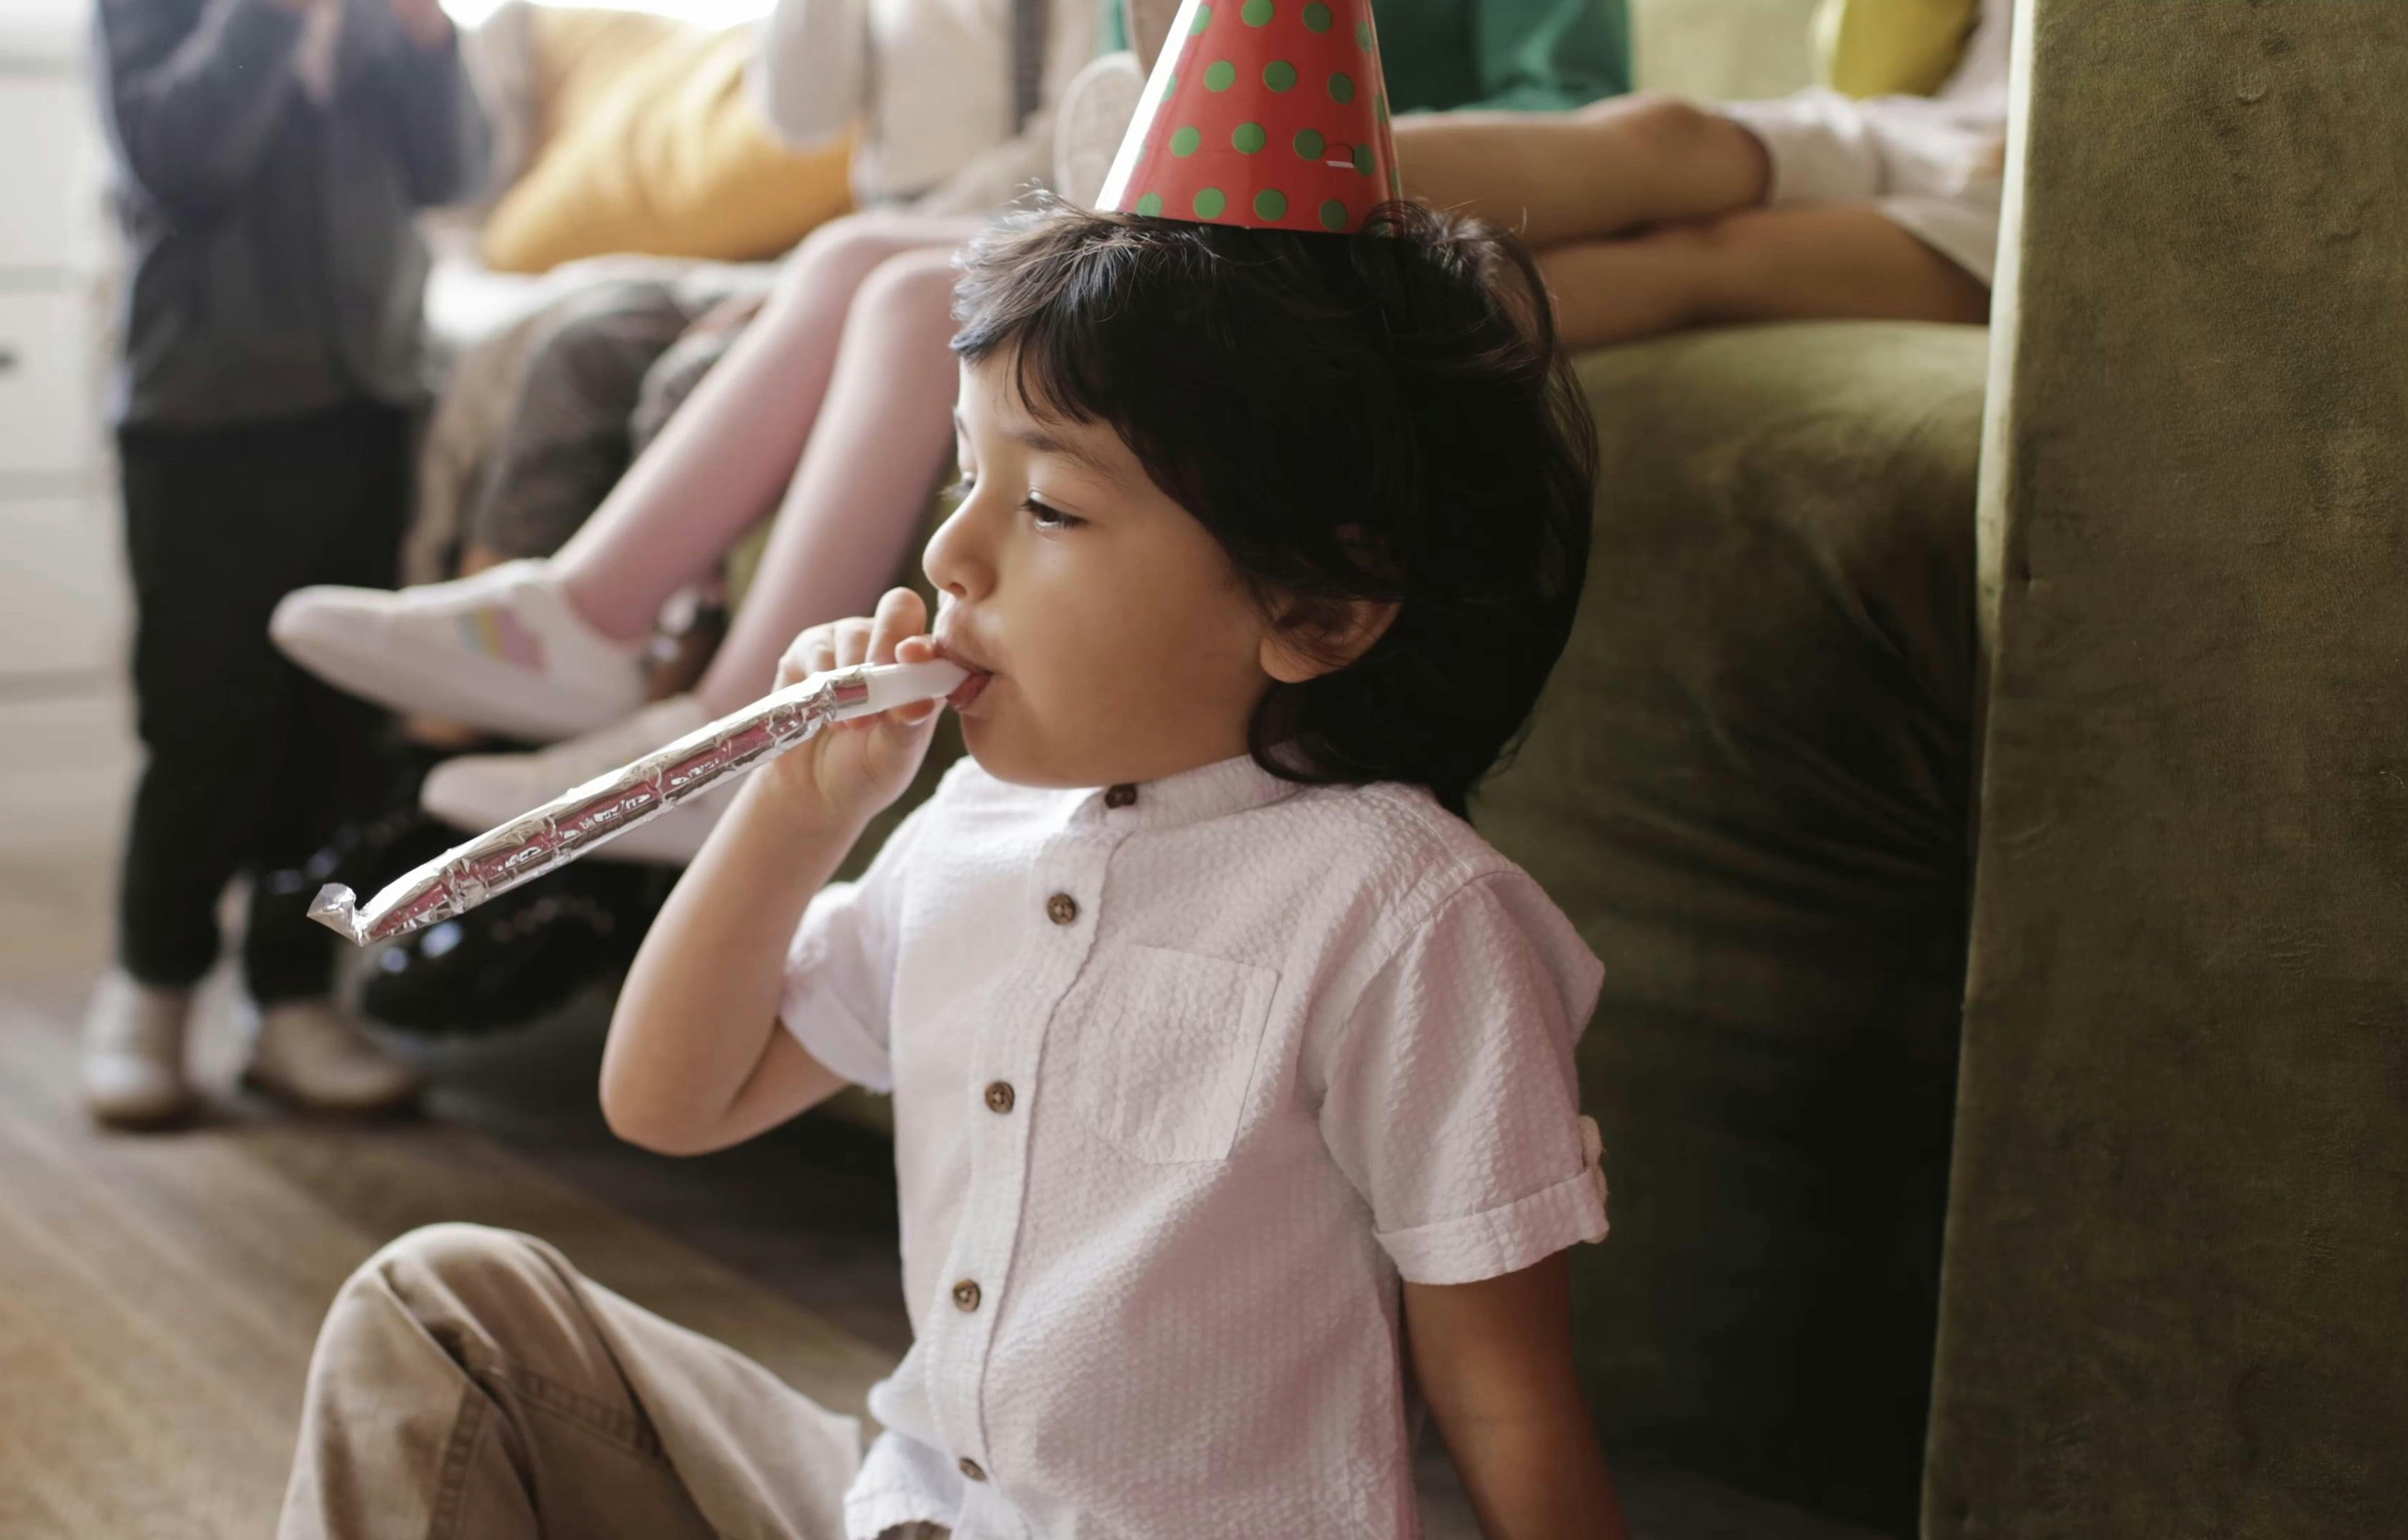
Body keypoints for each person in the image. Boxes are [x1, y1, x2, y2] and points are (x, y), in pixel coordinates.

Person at [275, 15, 1622, 1520]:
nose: (949, 552)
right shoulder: (972, 827)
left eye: (1046, 508)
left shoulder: (1409, 918)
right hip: (902, 1503)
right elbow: (670, 1101)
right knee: (445, 1315)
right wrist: (790, 821)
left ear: (1312, 606)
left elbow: (1510, 1401)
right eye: (963, 475)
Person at [265, 0, 1634, 851]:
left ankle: (718, 713)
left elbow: (1563, 114)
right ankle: (588, 616)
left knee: (909, 280)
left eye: (1029, 505)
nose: (946, 566)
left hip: (1360, 262)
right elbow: (1126, 135)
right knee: (863, 257)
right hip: (1169, 250)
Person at [80, 0, 486, 1128]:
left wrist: (427, 39)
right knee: (204, 713)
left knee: (339, 727)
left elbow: (452, 168)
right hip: (204, 405)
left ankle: (296, 993)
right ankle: (151, 984)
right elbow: (183, 157)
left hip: (367, 399)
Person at [1391, 0, 2012, 346]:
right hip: (1927, 121)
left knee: (1702, 253)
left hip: (2030, 194)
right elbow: (1877, 66)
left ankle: (1337, 347)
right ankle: (1301, 201)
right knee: (1663, 133)